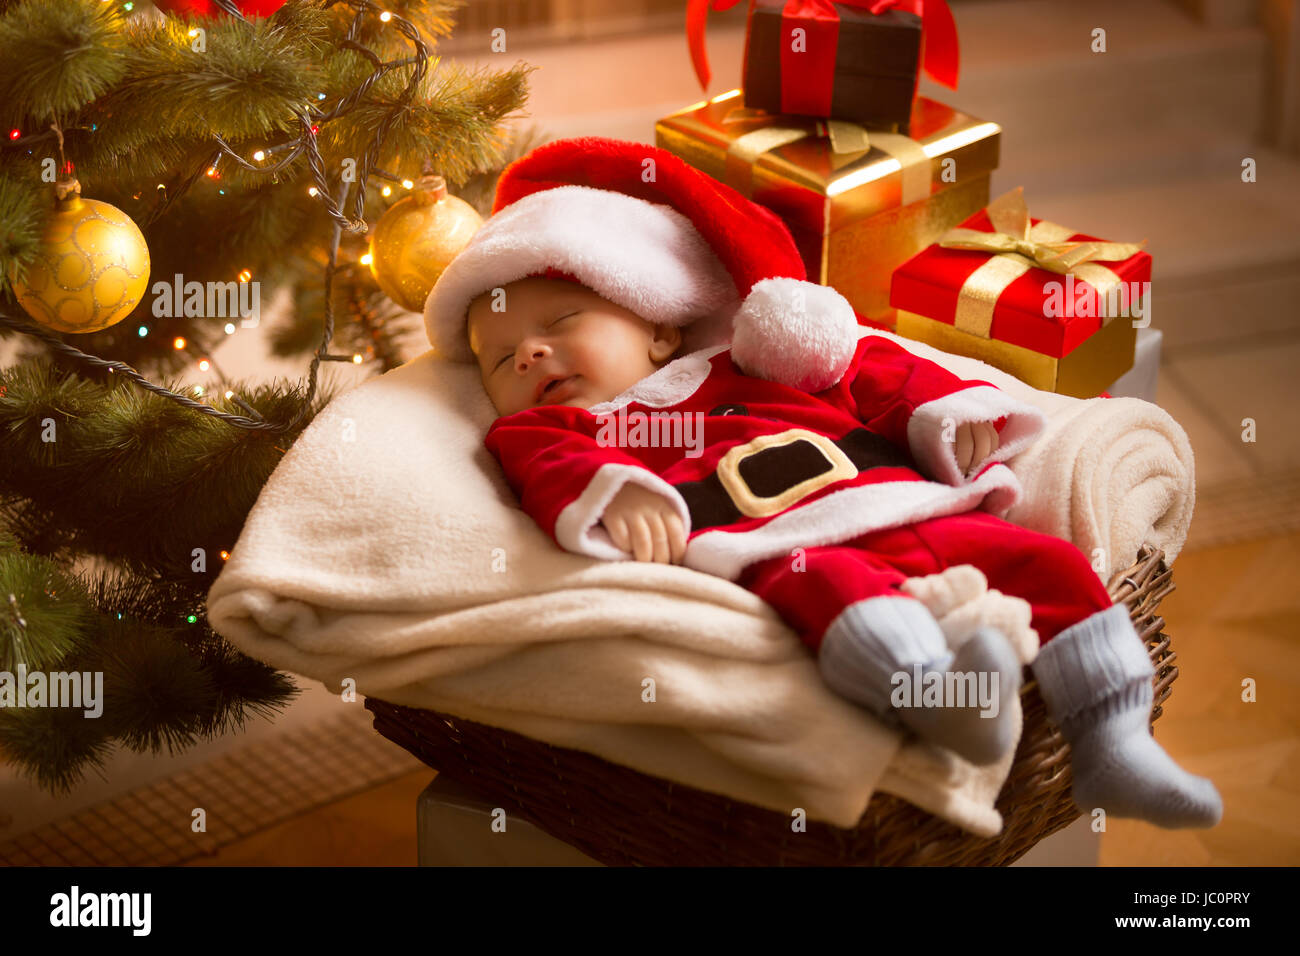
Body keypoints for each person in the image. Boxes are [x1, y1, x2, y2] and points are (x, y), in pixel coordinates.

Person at [423, 136, 1222, 829]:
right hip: (774, 542)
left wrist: (948, 414)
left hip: (902, 495)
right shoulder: (564, 426)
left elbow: (869, 368)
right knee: (841, 594)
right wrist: (617, 491)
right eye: (500, 359)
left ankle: (1115, 741)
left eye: (559, 325)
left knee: (1050, 567)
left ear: (659, 324)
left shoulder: (751, 353)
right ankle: (943, 701)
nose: (527, 355)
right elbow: (548, 467)